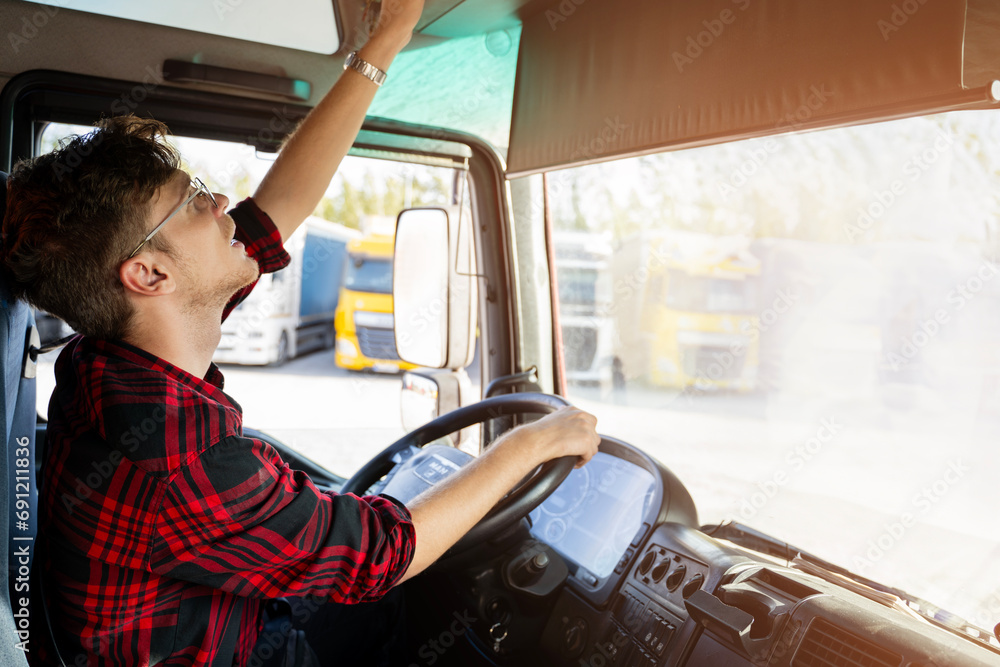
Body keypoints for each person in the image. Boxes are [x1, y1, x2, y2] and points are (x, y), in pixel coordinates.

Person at [0, 1, 601, 664]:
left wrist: (384, 43)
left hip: (226, 615)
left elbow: (272, 213)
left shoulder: (111, 352)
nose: (221, 202)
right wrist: (532, 442)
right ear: (147, 272)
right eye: (195, 200)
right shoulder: (177, 462)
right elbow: (381, 553)